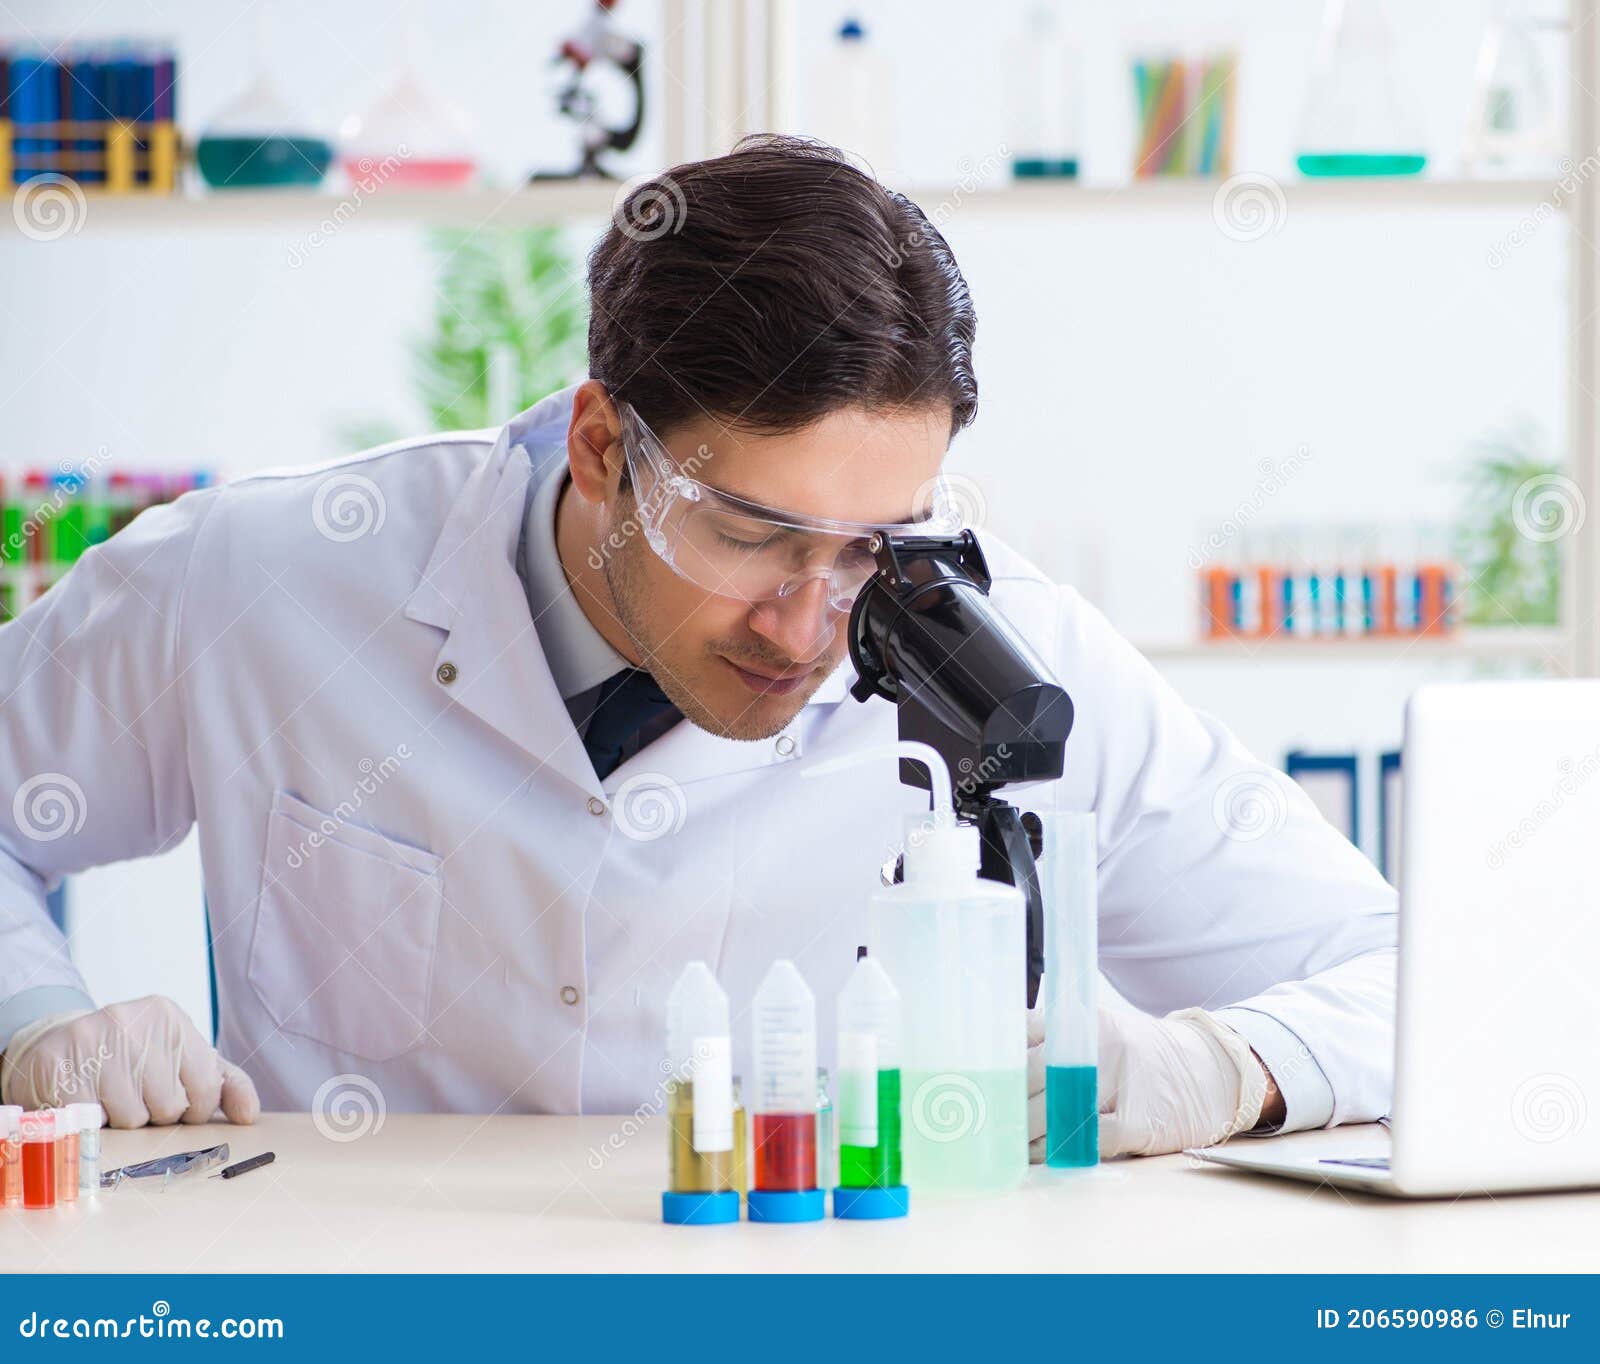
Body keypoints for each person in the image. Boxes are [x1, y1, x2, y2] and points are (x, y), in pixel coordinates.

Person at [0, 137, 1394, 1157]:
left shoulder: (1007, 658)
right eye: (749, 534)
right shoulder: (259, 582)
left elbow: (1412, 974)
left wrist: (1227, 1067)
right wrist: (36, 1014)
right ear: (605, 446)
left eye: (875, 546)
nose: (811, 625)